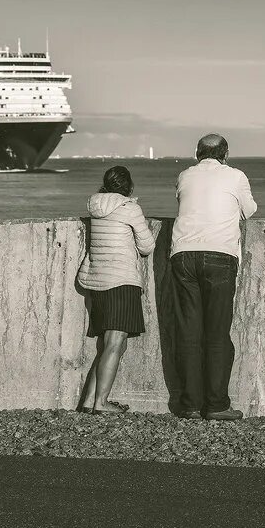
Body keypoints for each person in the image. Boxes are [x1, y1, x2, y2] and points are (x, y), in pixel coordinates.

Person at [170, 134, 257, 421]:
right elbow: (250, 211)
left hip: (183, 254)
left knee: (188, 332)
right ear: (226, 154)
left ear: (197, 153)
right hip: (219, 255)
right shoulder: (236, 176)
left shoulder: (184, 176)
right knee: (217, 333)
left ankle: (191, 404)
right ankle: (217, 404)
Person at [75, 165, 155, 414]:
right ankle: (101, 403)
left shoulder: (96, 207)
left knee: (113, 345)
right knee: (115, 341)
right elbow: (147, 246)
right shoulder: (129, 208)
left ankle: (89, 401)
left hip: (97, 280)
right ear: (128, 186)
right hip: (121, 280)